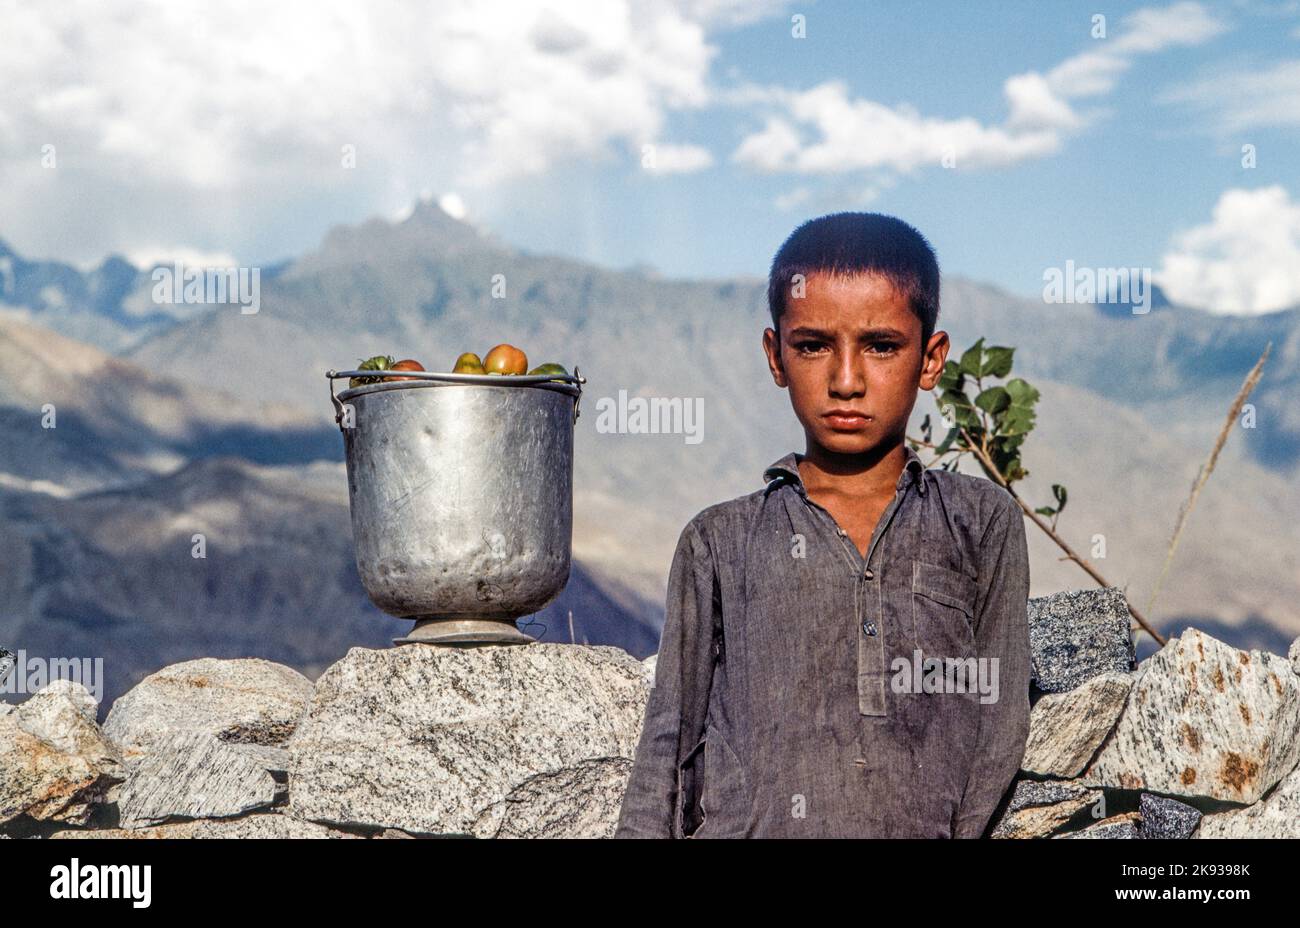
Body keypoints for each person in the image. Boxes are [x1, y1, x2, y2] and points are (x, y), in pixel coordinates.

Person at [613, 212, 1031, 838]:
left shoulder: (979, 521)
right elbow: (668, 747)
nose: (846, 381)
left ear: (931, 358)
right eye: (812, 345)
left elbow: (998, 724)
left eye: (881, 346)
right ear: (775, 355)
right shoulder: (719, 541)